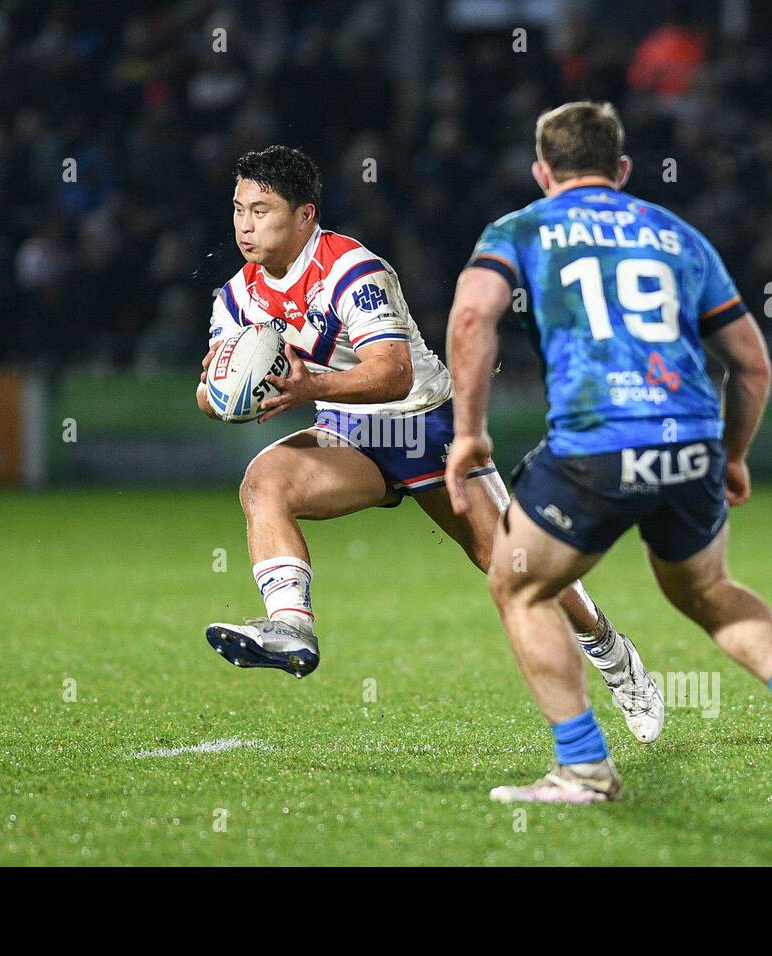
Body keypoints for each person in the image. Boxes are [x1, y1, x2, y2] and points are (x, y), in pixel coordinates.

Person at [443, 102, 772, 803]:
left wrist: (471, 434)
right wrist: (730, 455)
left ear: (543, 172)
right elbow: (752, 366)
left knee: (520, 585)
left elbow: (474, 314)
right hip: (689, 445)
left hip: (596, 446)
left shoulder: (523, 227)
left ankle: (584, 768)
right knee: (707, 591)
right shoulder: (678, 235)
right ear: (623, 169)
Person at [196, 145, 664, 742]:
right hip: (349, 431)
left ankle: (612, 655)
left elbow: (391, 373)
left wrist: (309, 384)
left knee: (516, 571)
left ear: (305, 215)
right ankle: (291, 625)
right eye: (239, 209)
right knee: (264, 482)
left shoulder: (354, 271)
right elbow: (208, 394)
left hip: (422, 423)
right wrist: (224, 394)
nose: (245, 224)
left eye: (262, 210)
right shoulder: (237, 296)